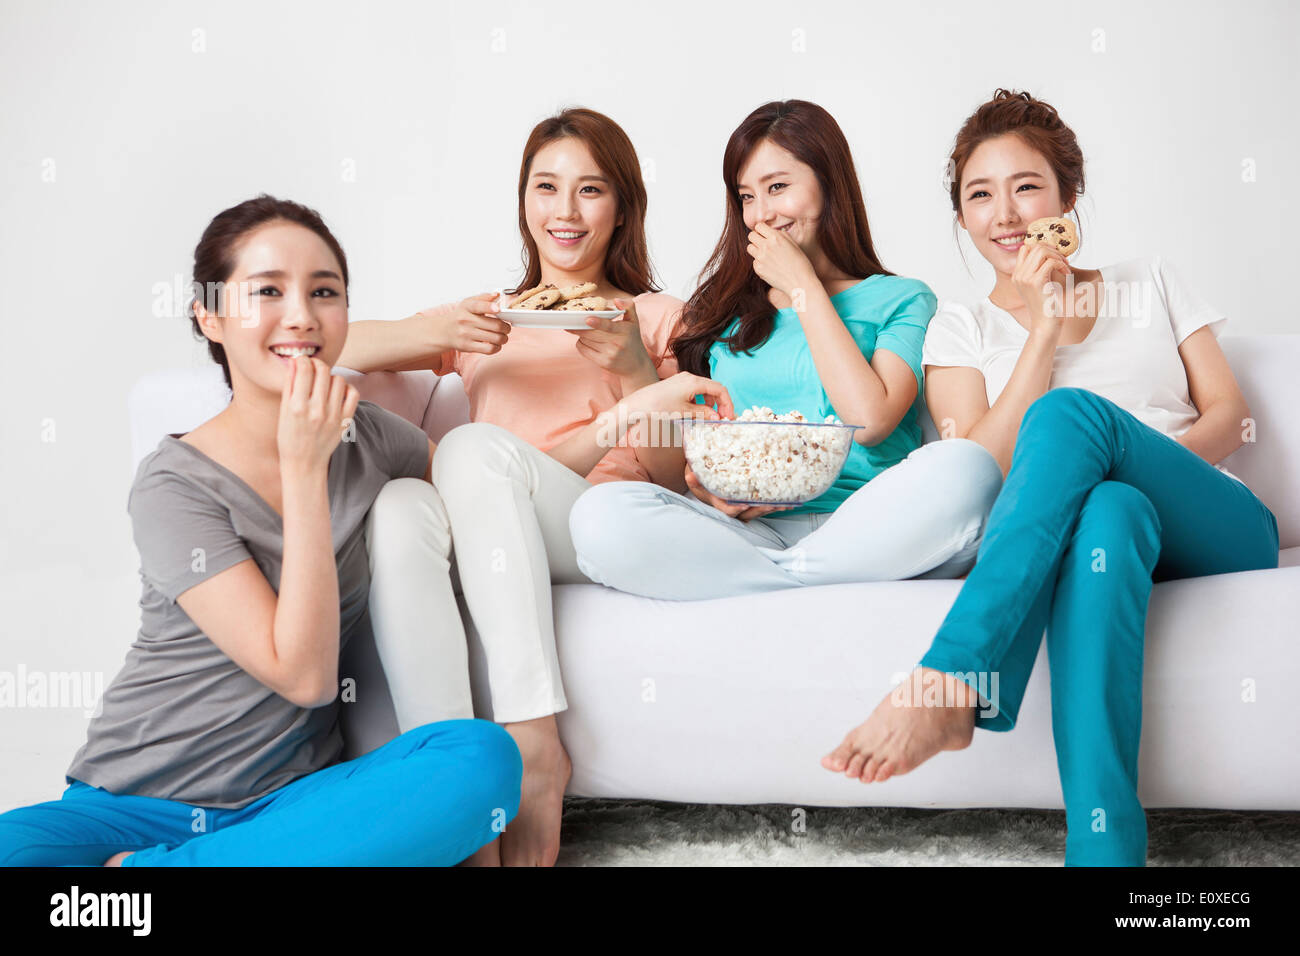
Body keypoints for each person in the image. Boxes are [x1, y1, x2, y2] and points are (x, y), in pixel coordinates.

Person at [822, 90, 1280, 867]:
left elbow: (1232, 417)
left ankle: (953, 680)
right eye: (979, 194)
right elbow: (986, 471)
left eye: (1026, 186)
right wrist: (1041, 326)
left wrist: (1134, 448)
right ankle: (1106, 855)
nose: (1004, 213)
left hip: (1215, 520)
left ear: (1069, 197)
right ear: (962, 217)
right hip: (1104, 525)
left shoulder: (1151, 279)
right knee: (1108, 510)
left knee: (1074, 421)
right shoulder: (960, 329)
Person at [0, 195, 521, 866]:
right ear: (210, 317)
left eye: (324, 291)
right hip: (127, 806)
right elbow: (300, 676)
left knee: (479, 760)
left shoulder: (371, 438)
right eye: (267, 291)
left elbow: (489, 492)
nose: (301, 315)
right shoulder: (173, 484)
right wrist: (304, 468)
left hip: (289, 808)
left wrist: (621, 426)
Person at [335, 107, 724, 865]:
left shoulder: (654, 316)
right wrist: (442, 335)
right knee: (399, 503)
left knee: (475, 450)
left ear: (621, 209)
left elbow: (681, 486)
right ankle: (446, 785)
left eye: (590, 191)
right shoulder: (491, 316)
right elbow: (326, 341)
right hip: (485, 525)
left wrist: (636, 375)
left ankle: (535, 748)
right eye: (546, 188)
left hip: (590, 525)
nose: (565, 212)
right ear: (524, 201)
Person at [567, 99, 1003, 600]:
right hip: (752, 532)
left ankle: (771, 583)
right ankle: (805, 577)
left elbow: (872, 418)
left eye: (778, 187)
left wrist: (805, 290)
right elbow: (703, 449)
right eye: (747, 196)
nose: (762, 214)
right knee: (600, 515)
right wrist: (708, 485)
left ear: (829, 182)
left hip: (868, 520)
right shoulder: (720, 312)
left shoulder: (902, 297)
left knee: (966, 470)